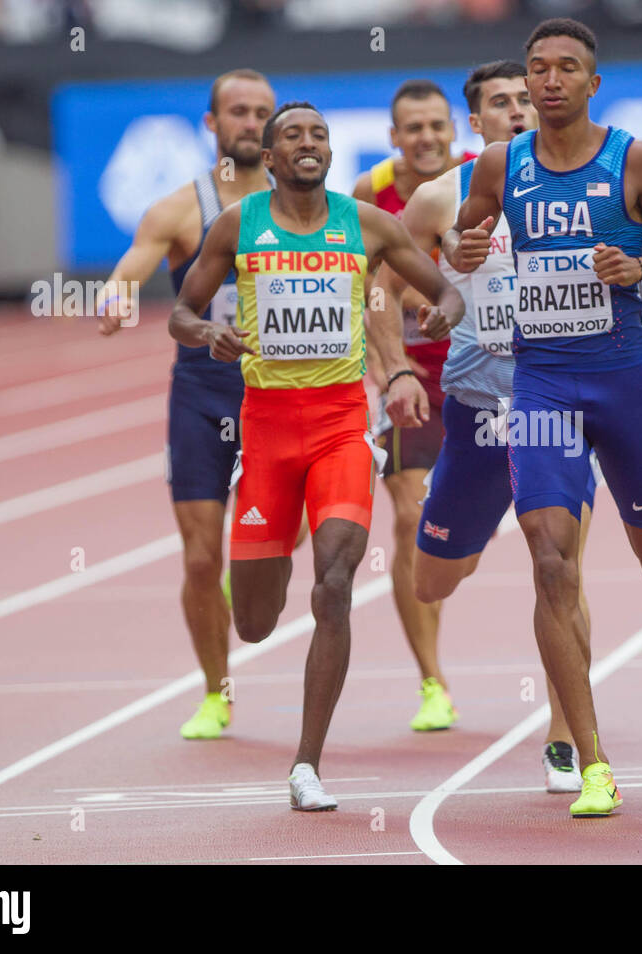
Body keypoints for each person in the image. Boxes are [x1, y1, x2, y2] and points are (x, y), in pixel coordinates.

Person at [375, 59, 642, 789]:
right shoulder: (441, 200)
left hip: (554, 402)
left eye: (527, 98)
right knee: (433, 580)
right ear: (475, 125)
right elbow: (380, 291)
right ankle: (464, 552)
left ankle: (567, 738)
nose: (520, 110)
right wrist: (401, 358)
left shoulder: (587, 181)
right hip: (480, 414)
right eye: (502, 103)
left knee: (557, 564)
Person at [446, 19, 642, 817]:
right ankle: (590, 760)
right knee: (549, 558)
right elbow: (468, 239)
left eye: (568, 68)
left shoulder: (634, 158)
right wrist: (466, 252)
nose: (551, 80)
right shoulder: (499, 165)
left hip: (626, 384)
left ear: (593, 83)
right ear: (526, 86)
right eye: (539, 69)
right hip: (541, 387)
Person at [169, 101, 462, 811]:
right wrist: (207, 336)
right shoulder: (238, 225)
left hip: (338, 427)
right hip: (266, 434)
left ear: (330, 153)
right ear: (268, 159)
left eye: (319, 135)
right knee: (257, 623)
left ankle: (307, 765)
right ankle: (258, 587)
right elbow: (181, 312)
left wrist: (440, 314)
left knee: (333, 584)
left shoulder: (366, 224)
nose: (308, 143)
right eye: (292, 136)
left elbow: (445, 291)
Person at [96, 70, 277, 741]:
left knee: (287, 534)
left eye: (263, 111)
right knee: (202, 558)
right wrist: (115, 296)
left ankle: (247, 582)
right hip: (202, 397)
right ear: (212, 124)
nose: (251, 122)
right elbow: (132, 266)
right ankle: (215, 692)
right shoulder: (179, 208)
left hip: (282, 398)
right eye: (238, 111)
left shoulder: (303, 206)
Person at [352, 79, 479, 732]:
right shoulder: (370, 196)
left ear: (454, 130)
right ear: (394, 137)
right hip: (410, 382)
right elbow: (362, 290)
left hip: (482, 379)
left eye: (437, 125)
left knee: (458, 543)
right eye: (413, 128)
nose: (427, 137)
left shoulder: (478, 183)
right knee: (409, 516)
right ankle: (432, 680)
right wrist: (387, 370)